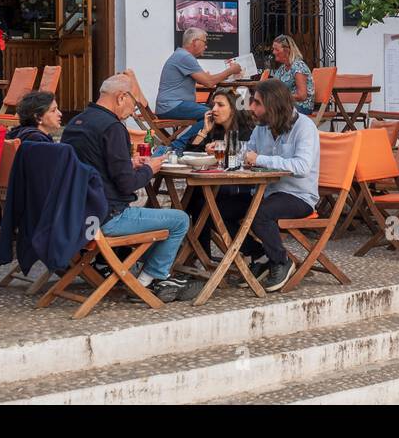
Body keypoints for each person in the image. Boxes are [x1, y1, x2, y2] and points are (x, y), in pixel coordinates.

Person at [61, 74, 198, 303]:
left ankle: (144, 273)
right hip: (107, 216)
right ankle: (148, 281)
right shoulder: (113, 127)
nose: (132, 111)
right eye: (133, 104)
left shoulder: (76, 123)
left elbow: (94, 164)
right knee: (180, 220)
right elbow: (127, 184)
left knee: (162, 217)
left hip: (78, 215)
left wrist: (129, 163)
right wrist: (150, 169)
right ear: (121, 97)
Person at [218, 78, 320, 293]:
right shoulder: (262, 127)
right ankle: (260, 254)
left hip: (298, 196)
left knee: (259, 214)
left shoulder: (304, 127)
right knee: (219, 208)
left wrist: (259, 159)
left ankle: (281, 261)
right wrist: (225, 147)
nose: (252, 108)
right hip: (265, 193)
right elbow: (249, 151)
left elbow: (301, 165)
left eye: (257, 103)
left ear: (273, 106)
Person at [172, 88, 257, 256]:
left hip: (241, 189)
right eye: (213, 105)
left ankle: (197, 252)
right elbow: (188, 154)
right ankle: (200, 253)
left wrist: (224, 151)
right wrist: (204, 131)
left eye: (220, 105)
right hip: (217, 187)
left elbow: (244, 161)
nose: (214, 109)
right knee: (197, 197)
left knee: (200, 202)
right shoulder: (214, 131)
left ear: (233, 109)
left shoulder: (247, 132)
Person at [155, 28, 242, 120]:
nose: (206, 47)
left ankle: (201, 134)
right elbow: (209, 82)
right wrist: (231, 70)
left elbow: (205, 80)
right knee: (212, 115)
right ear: (195, 42)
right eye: (205, 42)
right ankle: (190, 135)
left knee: (218, 110)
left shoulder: (182, 55)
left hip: (170, 106)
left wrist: (220, 75)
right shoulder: (185, 57)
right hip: (171, 106)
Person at [269, 34, 315, 114]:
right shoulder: (282, 69)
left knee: (267, 111)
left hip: (301, 107)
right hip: (286, 105)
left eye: (276, 49)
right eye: (273, 49)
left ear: (287, 50)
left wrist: (280, 97)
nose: (273, 52)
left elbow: (302, 96)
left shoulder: (298, 67)